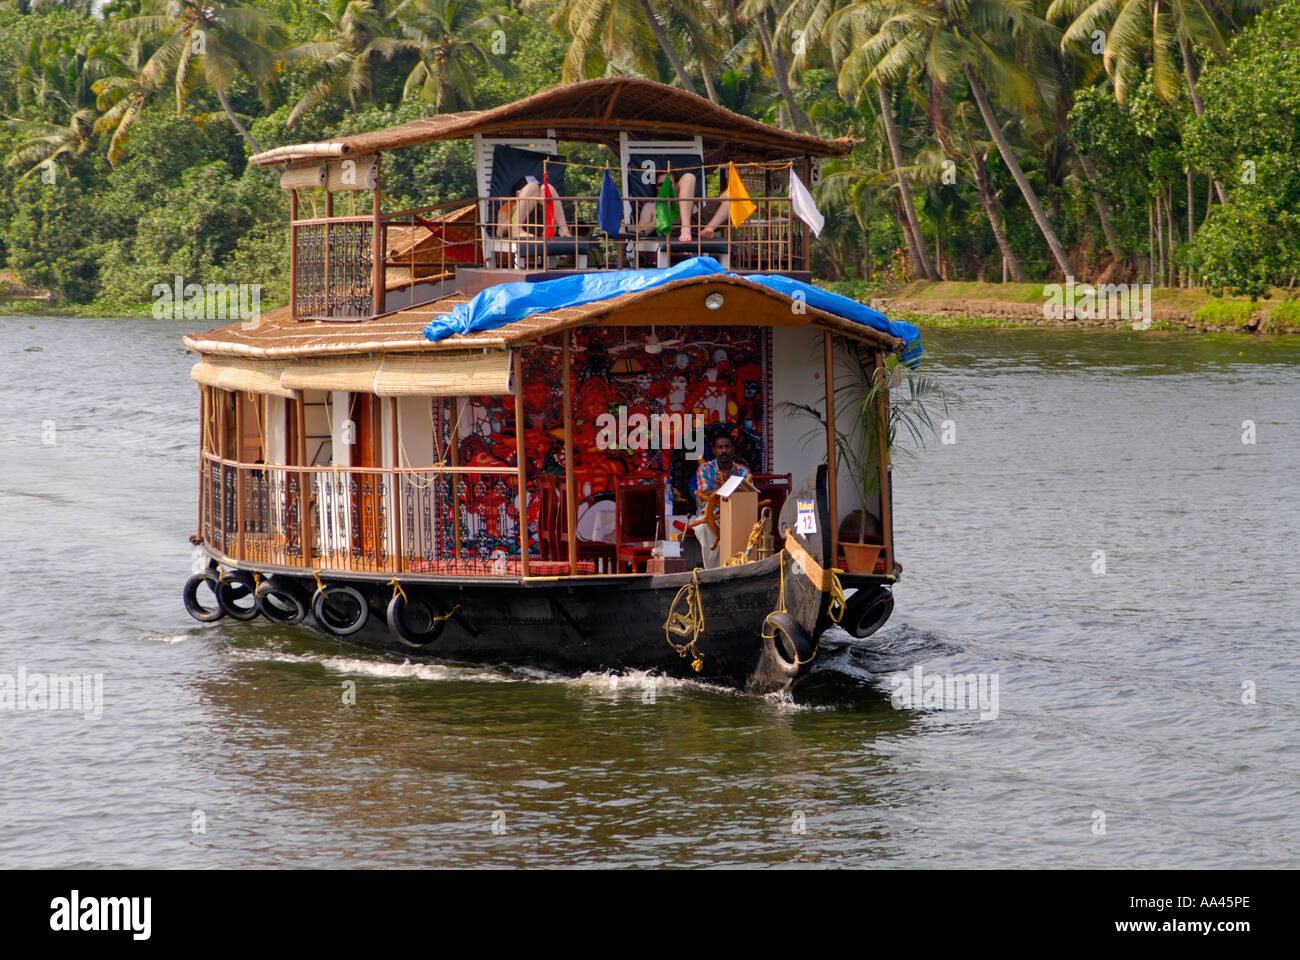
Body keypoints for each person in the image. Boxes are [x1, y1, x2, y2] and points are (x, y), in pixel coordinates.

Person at [636, 167, 733, 243]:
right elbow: (640, 233)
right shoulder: (650, 206)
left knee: (731, 194)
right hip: (670, 230)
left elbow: (697, 220)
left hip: (693, 226)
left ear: (675, 185)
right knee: (689, 177)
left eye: (669, 183)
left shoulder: (686, 202)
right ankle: (685, 227)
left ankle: (708, 228)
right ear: (656, 188)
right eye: (661, 184)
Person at [496, 175, 572, 239]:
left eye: (536, 191)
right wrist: (516, 211)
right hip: (521, 233)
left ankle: (564, 230)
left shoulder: (540, 203)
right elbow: (499, 232)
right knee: (532, 186)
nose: (536, 193)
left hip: (543, 232)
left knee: (547, 188)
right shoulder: (509, 206)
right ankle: (517, 229)